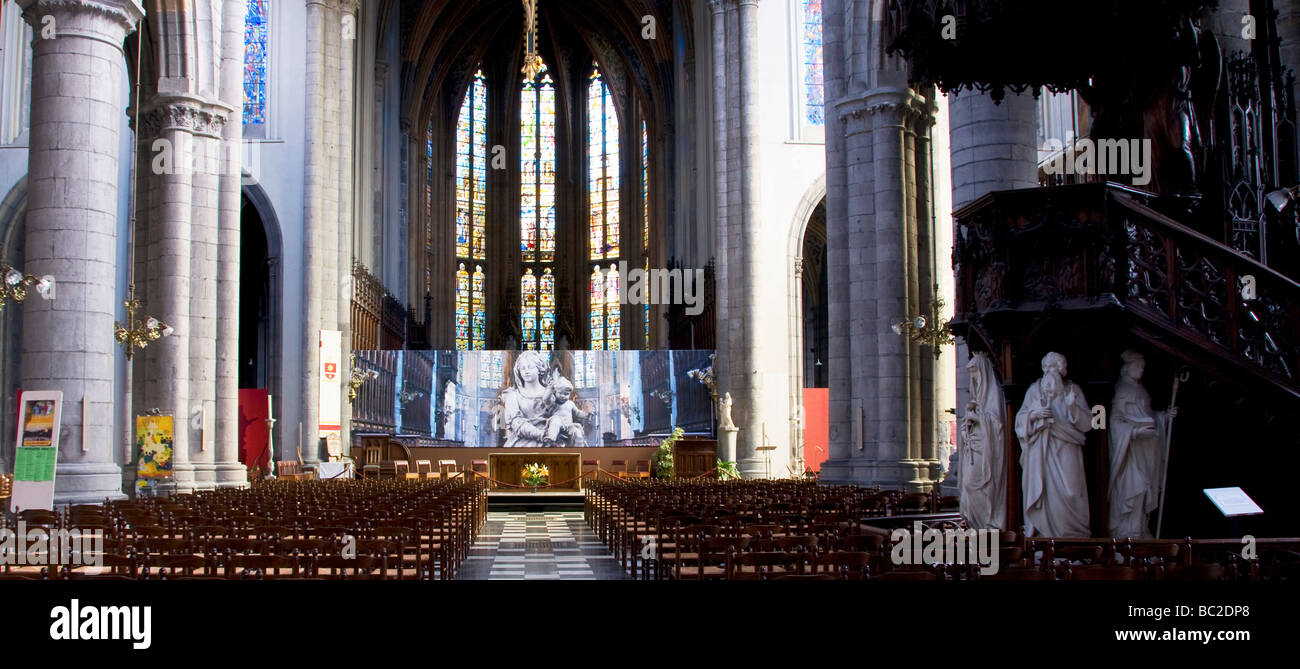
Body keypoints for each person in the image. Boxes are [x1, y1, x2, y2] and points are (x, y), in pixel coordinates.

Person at [1015, 352, 1093, 537]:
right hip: (1041, 451)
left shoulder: (1073, 390)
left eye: (1055, 367)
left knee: (1071, 492)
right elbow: (1019, 420)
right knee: (1045, 491)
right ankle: (1045, 537)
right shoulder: (1035, 390)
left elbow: (1090, 422)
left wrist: (1073, 407)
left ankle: (1074, 537)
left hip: (1068, 447)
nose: (1051, 371)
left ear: (1062, 370)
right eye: (1047, 367)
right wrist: (1033, 415)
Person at [1108, 350, 1177, 539]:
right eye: (1138, 366)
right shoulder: (1122, 390)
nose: (1141, 370)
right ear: (1127, 368)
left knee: (1145, 486)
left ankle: (1140, 527)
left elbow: (1148, 417)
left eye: (1143, 367)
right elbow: (1115, 422)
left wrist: (1163, 417)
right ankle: (1128, 530)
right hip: (1129, 451)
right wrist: (1135, 432)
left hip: (1146, 450)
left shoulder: (1142, 391)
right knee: (1133, 486)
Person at [960, 353, 1007, 530]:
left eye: (975, 372)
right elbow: (972, 424)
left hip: (988, 454)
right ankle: (977, 527)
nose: (973, 377)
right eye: (970, 373)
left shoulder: (994, 397)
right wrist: (966, 429)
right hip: (974, 449)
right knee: (968, 485)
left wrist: (977, 418)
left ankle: (986, 526)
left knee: (973, 485)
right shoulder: (978, 398)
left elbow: (999, 427)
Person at [500, 350, 553, 448]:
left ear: (539, 369)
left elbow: (560, 415)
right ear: (519, 371)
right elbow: (516, 422)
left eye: (530, 367)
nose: (526, 371)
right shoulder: (513, 395)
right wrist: (541, 434)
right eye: (522, 368)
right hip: (522, 442)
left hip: (550, 440)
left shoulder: (550, 392)